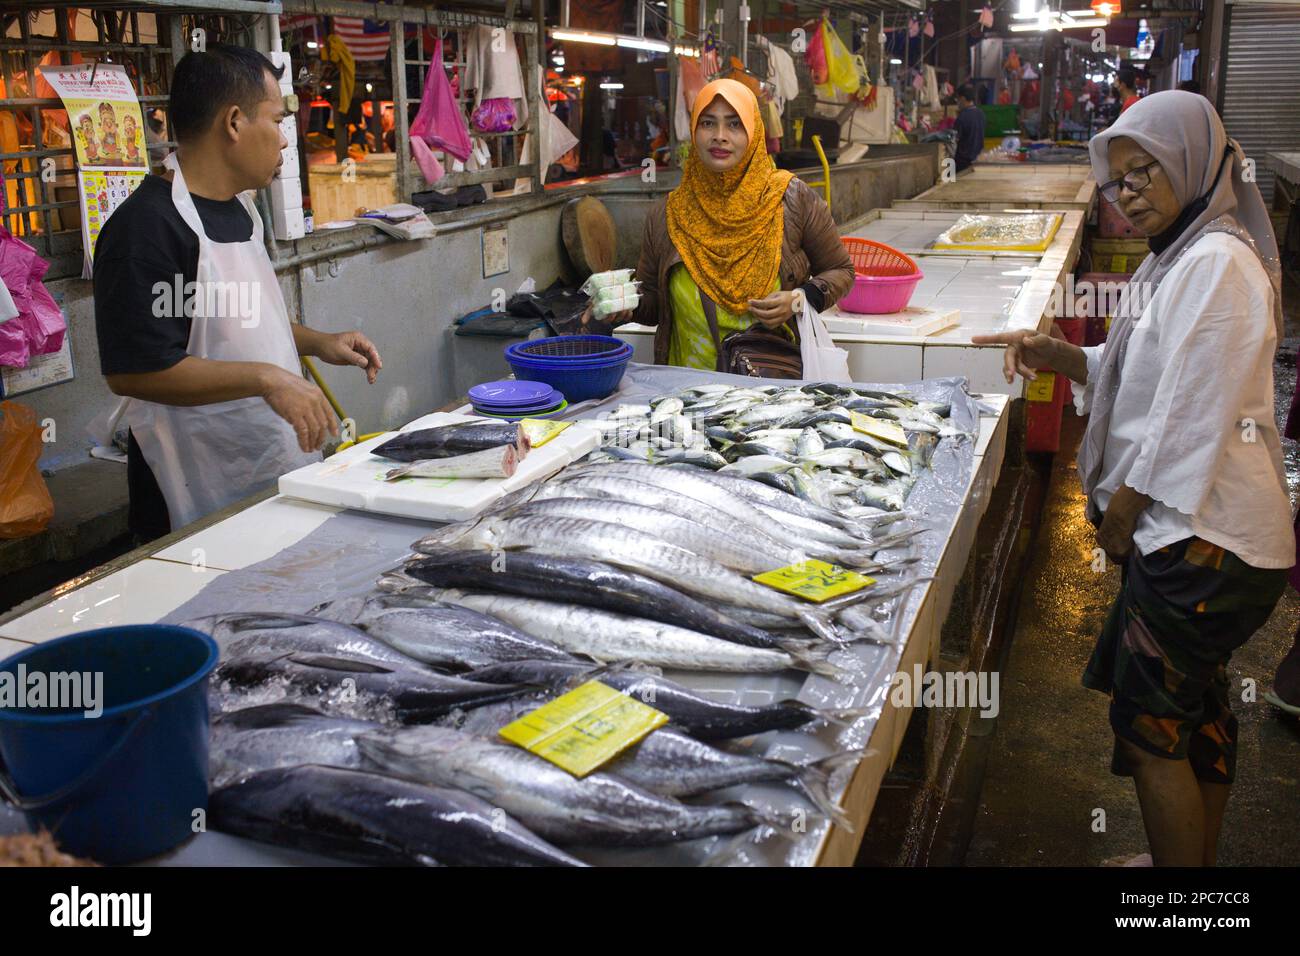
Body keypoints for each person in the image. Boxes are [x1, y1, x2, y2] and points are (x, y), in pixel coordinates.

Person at [974, 91, 1292, 866]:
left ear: (1190, 158)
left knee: (1150, 733)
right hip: (1197, 537)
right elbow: (1141, 376)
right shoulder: (1178, 254)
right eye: (1118, 181)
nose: (1130, 194)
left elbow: (1193, 420)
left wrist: (1120, 518)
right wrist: (1062, 356)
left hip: (1204, 541)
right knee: (1196, 708)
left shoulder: (1219, 266)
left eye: (1144, 171)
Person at [94, 44, 382, 542]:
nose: (286, 142)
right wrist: (269, 379)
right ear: (233, 123)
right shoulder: (146, 228)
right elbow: (134, 371)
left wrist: (316, 342)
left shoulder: (241, 210)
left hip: (266, 459)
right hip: (191, 483)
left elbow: (231, 316)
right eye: (276, 120)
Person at [586, 78, 852, 370]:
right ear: (694, 131)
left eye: (734, 124)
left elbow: (841, 271)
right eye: (708, 123)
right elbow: (655, 304)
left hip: (769, 391)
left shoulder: (790, 198)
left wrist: (799, 299)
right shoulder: (669, 214)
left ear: (754, 132)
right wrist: (623, 303)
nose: (720, 136)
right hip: (687, 390)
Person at [953, 84, 985, 172]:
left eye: (958, 99)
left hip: (962, 162)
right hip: (977, 160)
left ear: (963, 99)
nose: (957, 103)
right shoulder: (980, 113)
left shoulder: (962, 117)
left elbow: (954, 140)